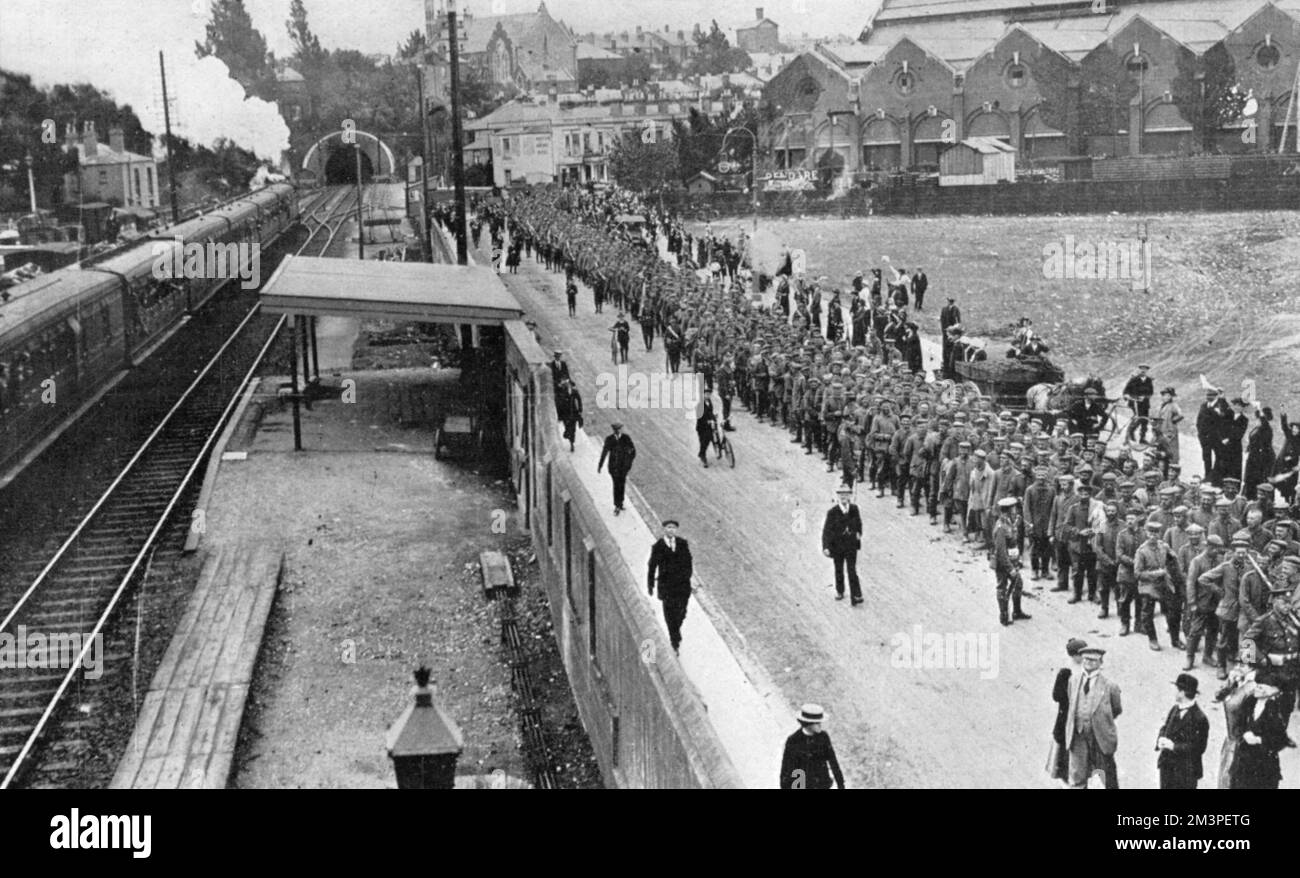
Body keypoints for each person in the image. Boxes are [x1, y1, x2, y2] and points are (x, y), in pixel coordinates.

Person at [1065, 646, 1122, 789]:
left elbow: (1116, 709)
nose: (1089, 663)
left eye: (1093, 660)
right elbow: (1071, 703)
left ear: (1100, 662)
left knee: (1105, 777)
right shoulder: (1073, 680)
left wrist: (1099, 721)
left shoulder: (1110, 686)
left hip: (1100, 737)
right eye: (1086, 659)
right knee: (1077, 775)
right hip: (1077, 736)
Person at [1228, 669, 1291, 789]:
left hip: (1263, 765)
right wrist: (1242, 735)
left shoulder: (1276, 711)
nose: (1256, 689)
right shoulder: (1250, 701)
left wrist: (1259, 740)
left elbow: (1280, 740)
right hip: (1242, 760)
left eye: (1261, 688)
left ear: (1272, 692)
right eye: (1257, 686)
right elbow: (1237, 722)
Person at [1155, 673, 1210, 789]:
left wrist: (1174, 747)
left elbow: (1199, 748)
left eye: (1177, 690)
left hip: (1186, 772)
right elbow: (1165, 727)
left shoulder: (1200, 719)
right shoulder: (1175, 709)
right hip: (1167, 767)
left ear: (1183, 692)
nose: (1174, 693)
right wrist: (1160, 738)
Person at [647, 519, 694, 654]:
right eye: (668, 527)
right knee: (670, 615)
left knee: (682, 612)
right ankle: (675, 641)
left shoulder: (682, 544)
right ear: (664, 529)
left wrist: (687, 576)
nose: (671, 530)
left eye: (673, 528)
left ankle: (675, 632)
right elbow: (652, 566)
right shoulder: (658, 547)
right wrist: (650, 585)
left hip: (682, 586)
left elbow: (689, 562)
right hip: (667, 587)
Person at [779, 704, 846, 789]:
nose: (820, 725)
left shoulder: (823, 737)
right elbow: (786, 771)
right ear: (808, 724)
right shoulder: (794, 741)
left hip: (822, 785)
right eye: (817, 723)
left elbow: (833, 762)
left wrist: (841, 785)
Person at [1049, 638, 1088, 784]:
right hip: (1067, 719)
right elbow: (1057, 695)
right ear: (1075, 655)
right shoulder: (1066, 672)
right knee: (1066, 755)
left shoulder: (1084, 669)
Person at [822, 484, 864, 605]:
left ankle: (857, 594)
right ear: (838, 496)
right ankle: (840, 591)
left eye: (846, 494)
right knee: (839, 569)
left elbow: (859, 523)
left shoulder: (854, 509)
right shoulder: (832, 512)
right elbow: (826, 531)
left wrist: (859, 533)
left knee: (852, 570)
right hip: (837, 546)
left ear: (850, 495)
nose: (844, 497)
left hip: (851, 545)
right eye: (841, 494)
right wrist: (826, 547)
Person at [991, 497, 1030, 626]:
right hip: (1003, 564)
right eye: (1013, 508)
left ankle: (1016, 612)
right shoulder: (1001, 527)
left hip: (1012, 561)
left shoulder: (1010, 522)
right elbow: (1001, 552)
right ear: (1008, 510)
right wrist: (1010, 569)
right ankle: (1003, 615)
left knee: (1018, 584)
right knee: (1002, 588)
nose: (1015, 510)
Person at [597, 421, 636, 515]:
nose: (620, 430)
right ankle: (617, 505)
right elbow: (604, 452)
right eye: (618, 429)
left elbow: (633, 451)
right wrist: (600, 465)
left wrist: (629, 463)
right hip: (614, 467)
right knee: (616, 485)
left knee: (621, 485)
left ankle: (620, 503)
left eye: (620, 428)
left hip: (623, 467)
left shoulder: (626, 438)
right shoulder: (609, 439)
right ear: (615, 430)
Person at [1197, 387, 1230, 486]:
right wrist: (1200, 433)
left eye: (1211, 395)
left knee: (1218, 457)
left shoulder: (1220, 405)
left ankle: (1215, 477)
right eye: (1207, 395)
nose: (1208, 397)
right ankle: (1207, 476)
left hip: (1216, 438)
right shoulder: (1203, 405)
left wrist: (1222, 398)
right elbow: (1199, 420)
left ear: (1215, 396)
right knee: (1206, 457)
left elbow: (1225, 413)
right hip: (1205, 437)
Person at [1244, 404, 1276, 497]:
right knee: (1250, 479)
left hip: (1262, 459)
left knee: (1258, 479)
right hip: (1253, 457)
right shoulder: (1257, 428)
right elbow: (1253, 440)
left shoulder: (1267, 428)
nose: (1258, 420)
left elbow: (1263, 442)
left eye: (1260, 418)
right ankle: (1249, 496)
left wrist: (1259, 408)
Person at [1122, 364, 1154, 445]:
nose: (1143, 370)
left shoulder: (1149, 380)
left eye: (1145, 369)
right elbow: (1125, 391)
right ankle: (1130, 433)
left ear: (1147, 371)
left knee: (1145, 421)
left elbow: (1151, 392)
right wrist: (1131, 397)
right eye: (1141, 369)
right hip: (1135, 403)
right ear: (1139, 370)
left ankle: (1142, 438)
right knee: (1138, 418)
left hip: (1145, 404)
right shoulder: (1134, 379)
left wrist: (1145, 397)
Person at [557, 378, 583, 452]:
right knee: (568, 428)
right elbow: (559, 403)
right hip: (565, 414)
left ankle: (572, 443)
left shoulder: (574, 391)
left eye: (568, 385)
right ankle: (567, 434)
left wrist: (580, 409)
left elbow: (579, 399)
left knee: (573, 429)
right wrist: (559, 414)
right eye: (566, 385)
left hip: (573, 413)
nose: (568, 386)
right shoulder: (562, 392)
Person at [695, 396, 717, 468]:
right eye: (706, 393)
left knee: (709, 438)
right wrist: (707, 421)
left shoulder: (709, 402)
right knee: (703, 441)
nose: (708, 395)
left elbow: (710, 412)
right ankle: (702, 456)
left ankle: (702, 453)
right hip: (702, 426)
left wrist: (713, 417)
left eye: (709, 393)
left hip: (708, 426)